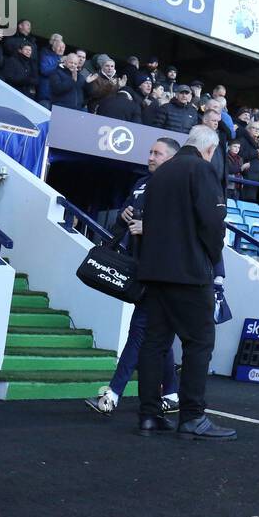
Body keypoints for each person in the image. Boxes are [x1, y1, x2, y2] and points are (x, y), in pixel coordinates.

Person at [134, 125, 234, 440]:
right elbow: (212, 223)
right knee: (199, 343)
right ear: (210, 149)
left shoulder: (160, 174)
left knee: (154, 343)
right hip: (189, 274)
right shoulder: (202, 171)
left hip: (154, 272)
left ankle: (149, 416)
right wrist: (211, 256)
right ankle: (192, 417)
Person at [85, 139, 182, 417]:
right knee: (157, 333)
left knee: (139, 331)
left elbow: (180, 230)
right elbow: (120, 224)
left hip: (163, 271)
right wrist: (123, 215)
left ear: (171, 159)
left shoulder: (176, 188)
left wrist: (148, 226)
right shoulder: (141, 183)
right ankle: (172, 393)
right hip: (140, 267)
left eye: (157, 153)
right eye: (150, 152)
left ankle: (112, 394)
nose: (151, 157)